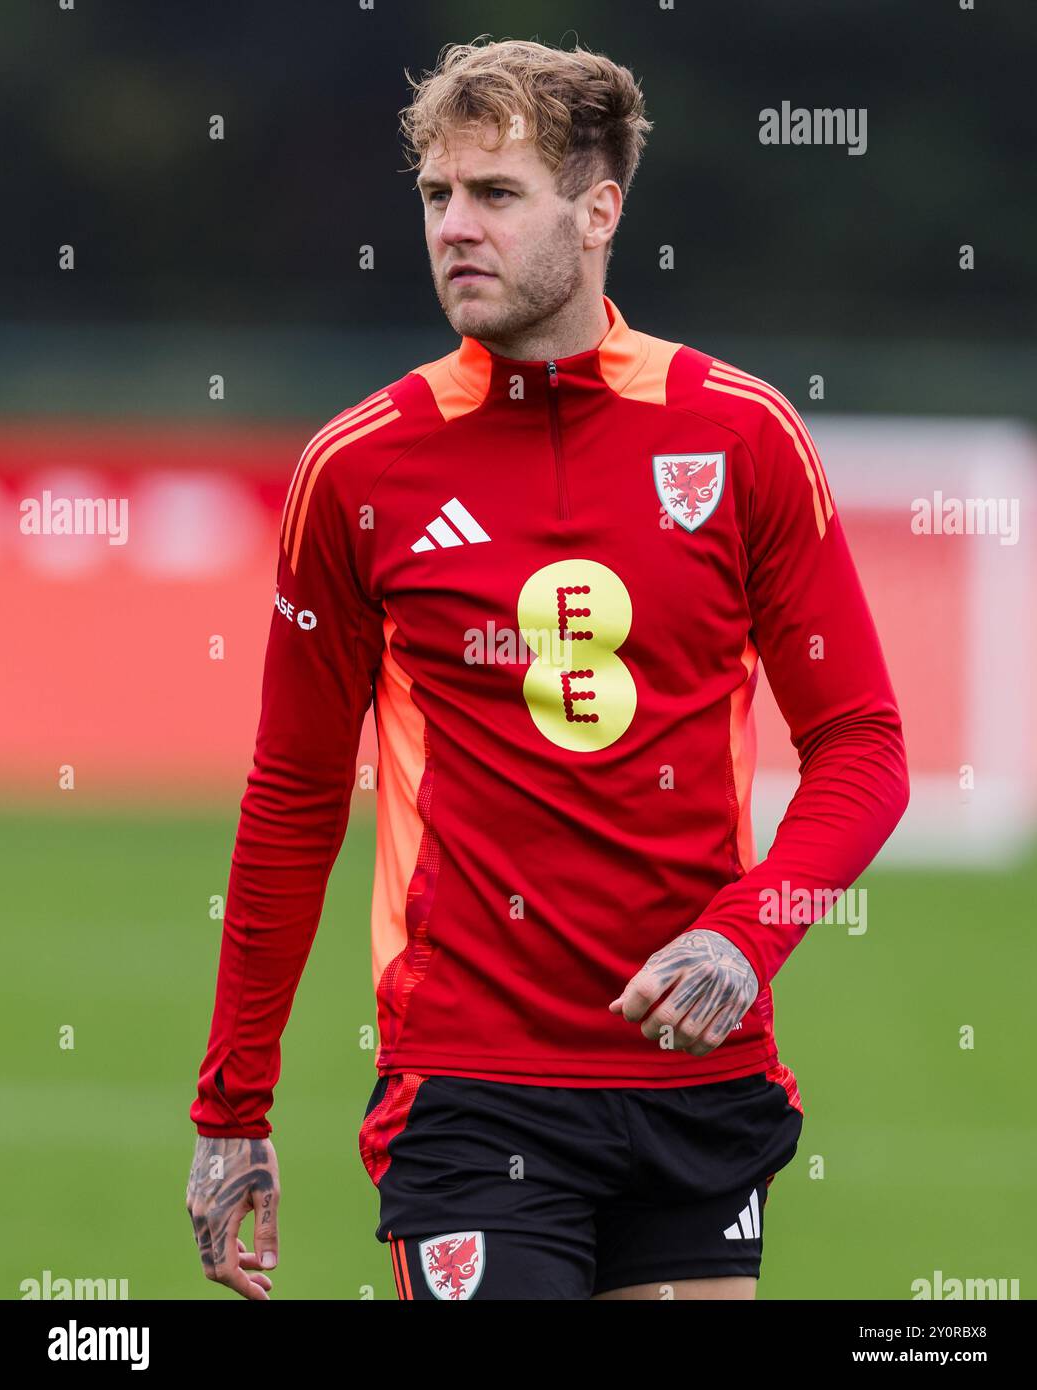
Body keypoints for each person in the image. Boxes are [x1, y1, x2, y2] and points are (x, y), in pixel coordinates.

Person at [186, 36, 909, 1301]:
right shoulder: (359, 471)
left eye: (495, 194)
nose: (454, 228)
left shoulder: (740, 436)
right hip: (470, 1086)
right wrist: (231, 1104)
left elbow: (863, 744)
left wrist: (751, 935)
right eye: (435, 197)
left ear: (597, 211)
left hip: (698, 1076)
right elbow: (293, 796)